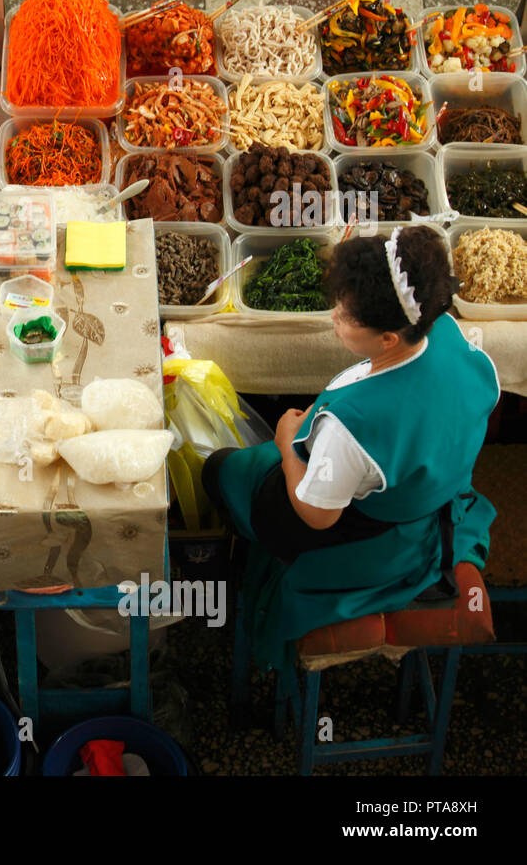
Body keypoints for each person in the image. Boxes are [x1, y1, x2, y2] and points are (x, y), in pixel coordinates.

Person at [203, 224, 498, 676]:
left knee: (221, 469)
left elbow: (318, 514)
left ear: (387, 339)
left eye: (345, 316)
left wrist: (286, 447)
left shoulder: (353, 427)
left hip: (375, 538)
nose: (334, 320)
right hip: (430, 495)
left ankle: (226, 572)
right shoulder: (452, 338)